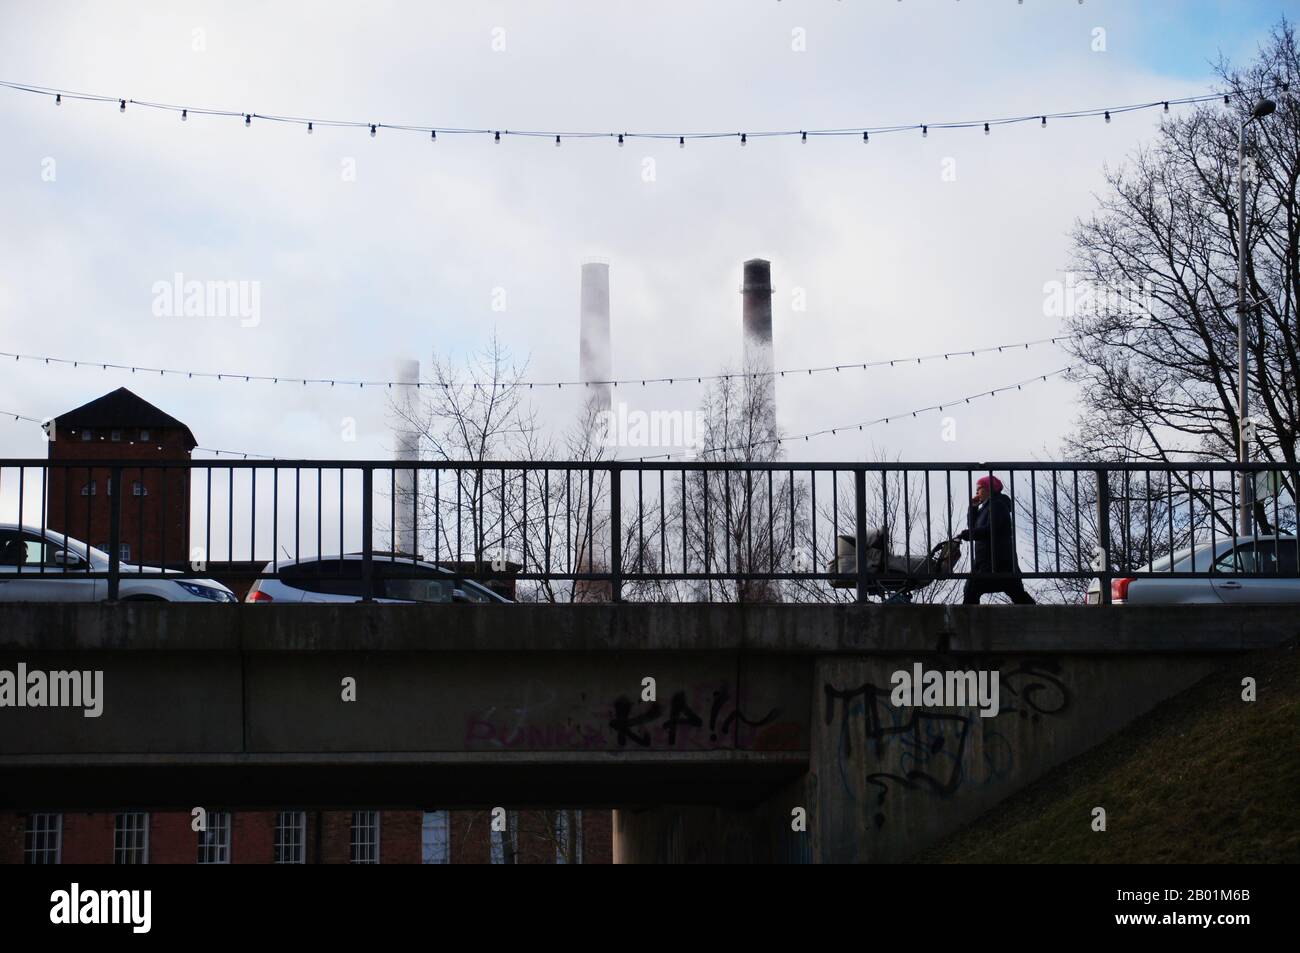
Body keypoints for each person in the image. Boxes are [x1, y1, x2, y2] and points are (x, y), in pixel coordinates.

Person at [958, 475, 1035, 605]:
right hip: (992, 563)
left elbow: (992, 530)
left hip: (998, 562)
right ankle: (1037, 618)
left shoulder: (997, 505)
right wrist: (972, 508)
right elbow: (973, 527)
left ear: (989, 488)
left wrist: (968, 534)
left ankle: (968, 623)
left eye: (979, 488)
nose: (976, 492)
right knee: (1017, 594)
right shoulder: (986, 507)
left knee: (972, 588)